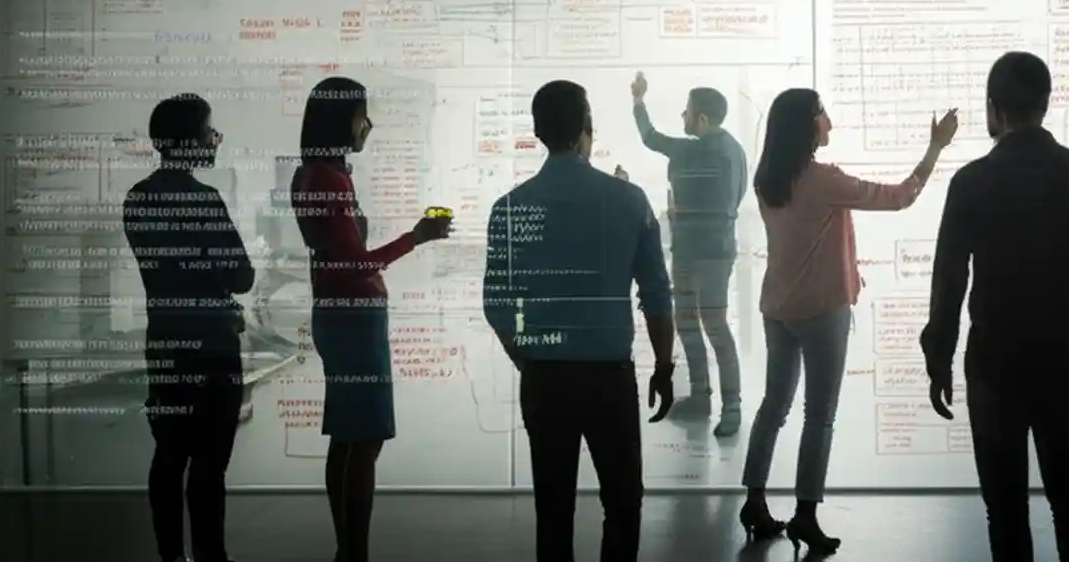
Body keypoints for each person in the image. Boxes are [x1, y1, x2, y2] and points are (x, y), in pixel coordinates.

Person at [920, 51, 1069, 562]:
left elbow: (949, 279)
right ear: (1045, 104)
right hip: (1066, 360)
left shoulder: (970, 183)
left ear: (994, 108)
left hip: (995, 367)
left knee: (1005, 510)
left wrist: (939, 356)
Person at [742, 88, 958, 555]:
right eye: (823, 114)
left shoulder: (767, 179)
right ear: (807, 124)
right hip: (822, 311)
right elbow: (900, 197)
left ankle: (754, 501)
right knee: (818, 417)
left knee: (773, 407)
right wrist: (936, 148)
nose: (830, 123)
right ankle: (805, 516)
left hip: (777, 308)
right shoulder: (822, 180)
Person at [482, 79, 676, 562]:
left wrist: (526, 358)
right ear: (588, 128)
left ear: (537, 131)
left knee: (553, 509)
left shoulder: (509, 208)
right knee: (624, 502)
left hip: (545, 376)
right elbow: (656, 294)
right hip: (609, 379)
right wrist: (665, 365)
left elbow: (496, 303)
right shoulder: (630, 201)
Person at [289, 77, 453, 562]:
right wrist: (416, 237)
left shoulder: (317, 173)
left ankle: (348, 549)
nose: (369, 124)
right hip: (353, 321)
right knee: (364, 442)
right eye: (363, 114)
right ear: (343, 119)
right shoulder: (328, 179)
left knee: (348, 437)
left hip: (342, 318)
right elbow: (352, 265)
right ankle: (353, 551)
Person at [123, 93, 254, 562]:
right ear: (191, 142)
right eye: (209, 131)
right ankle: (210, 556)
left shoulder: (137, 199)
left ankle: (171, 557)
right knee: (209, 463)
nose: (215, 139)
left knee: (169, 454)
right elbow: (242, 277)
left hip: (166, 343)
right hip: (215, 346)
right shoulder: (205, 199)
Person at [630, 71, 748, 436]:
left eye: (687, 112)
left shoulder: (697, 149)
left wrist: (638, 101)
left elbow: (650, 138)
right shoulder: (733, 150)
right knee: (693, 324)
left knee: (709, 326)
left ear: (703, 119)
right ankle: (706, 398)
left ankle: (727, 405)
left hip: (704, 252)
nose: (682, 117)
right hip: (701, 250)